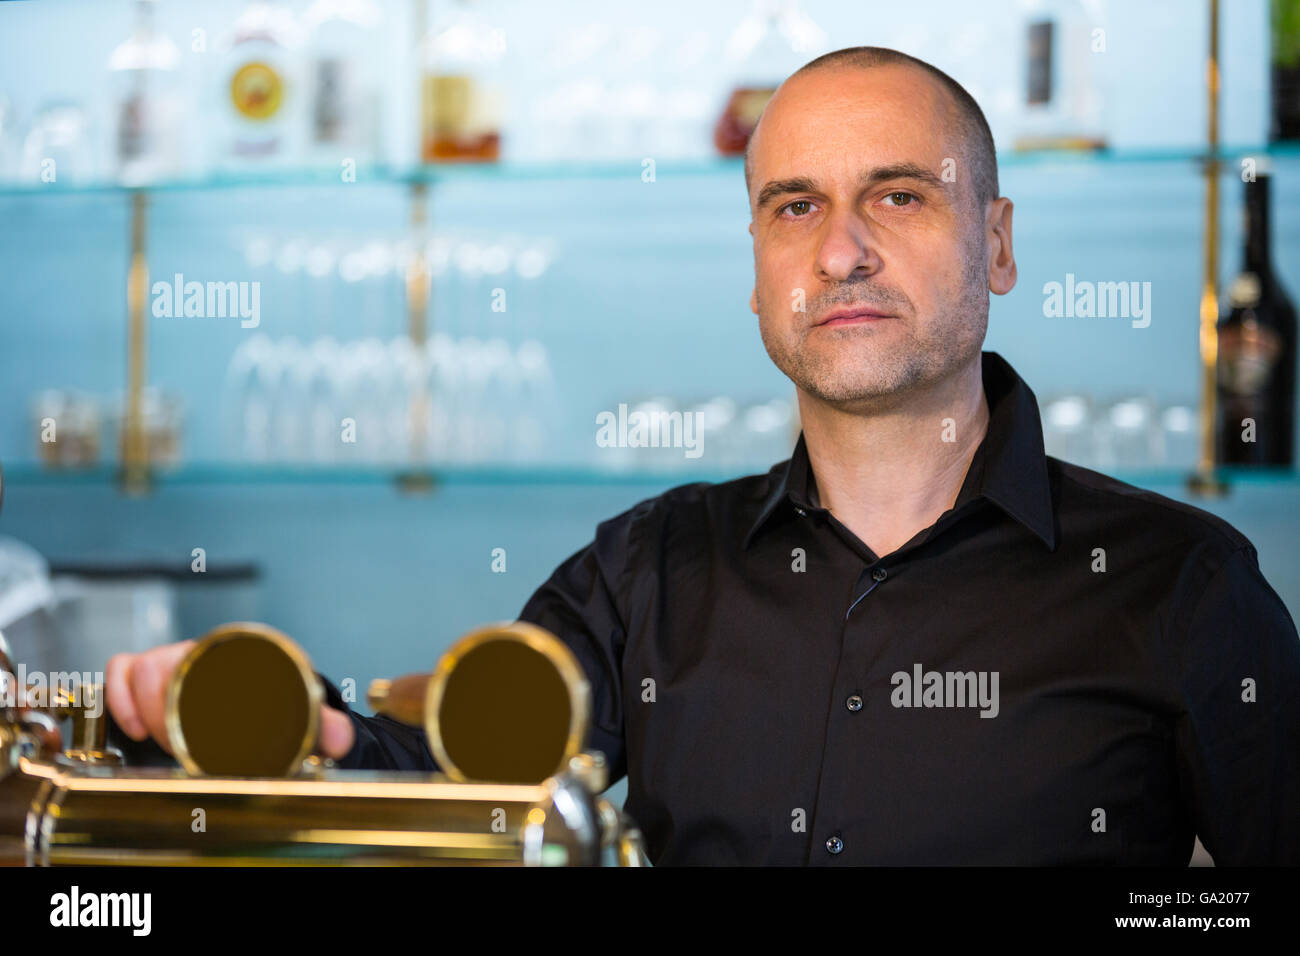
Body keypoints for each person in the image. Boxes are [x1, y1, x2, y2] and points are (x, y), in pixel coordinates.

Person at [105, 47, 1300, 865]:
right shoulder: (647, 568)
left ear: (993, 242)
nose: (839, 252)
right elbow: (459, 780)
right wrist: (284, 724)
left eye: (896, 198)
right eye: (794, 206)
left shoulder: (1180, 581)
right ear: (757, 269)